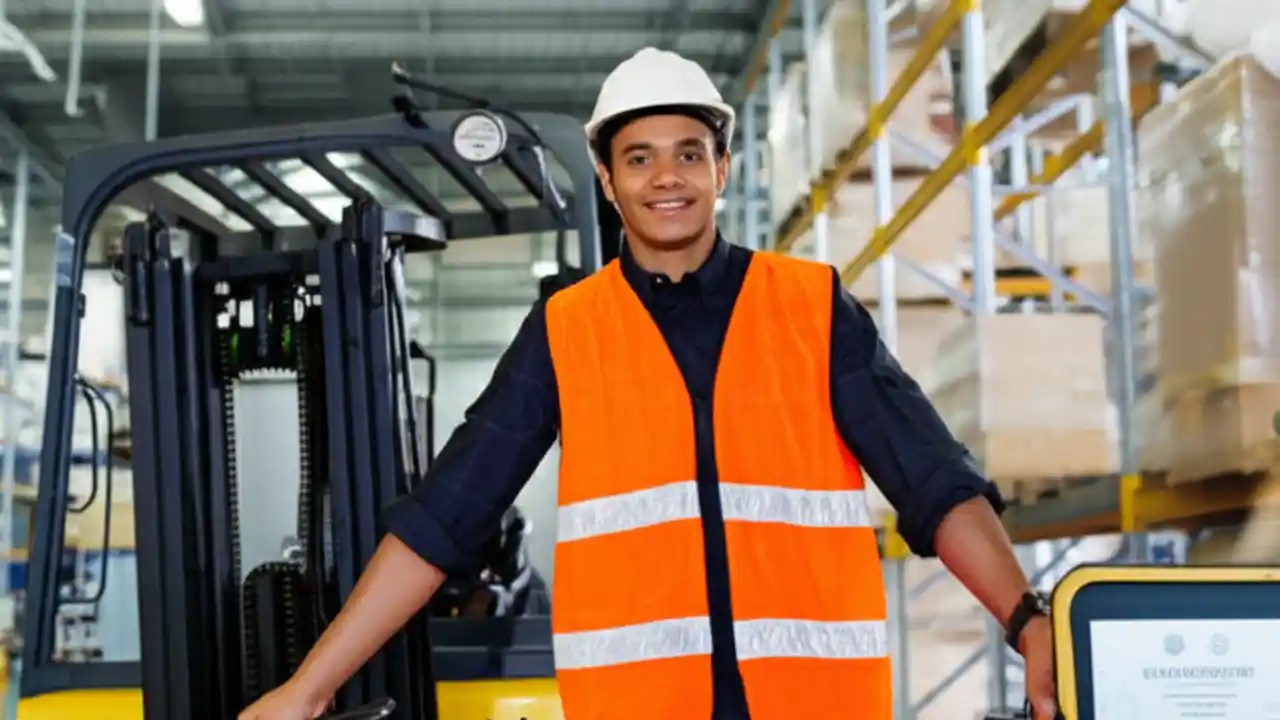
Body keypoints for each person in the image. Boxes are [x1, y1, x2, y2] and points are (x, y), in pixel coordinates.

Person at [239, 47, 1057, 720]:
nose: (667, 177)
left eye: (689, 153)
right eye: (640, 158)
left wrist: (1026, 623)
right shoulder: (567, 328)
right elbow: (446, 515)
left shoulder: (809, 306)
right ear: (607, 179)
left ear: (723, 168)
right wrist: (307, 690)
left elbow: (933, 480)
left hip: (816, 704)